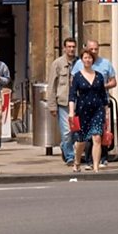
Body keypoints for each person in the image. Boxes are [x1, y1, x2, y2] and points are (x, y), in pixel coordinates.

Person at [71, 39, 117, 166]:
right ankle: (80, 161)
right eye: (91, 50)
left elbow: (113, 82)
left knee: (97, 136)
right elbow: (73, 87)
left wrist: (101, 87)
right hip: (83, 107)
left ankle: (97, 164)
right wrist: (71, 110)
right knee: (83, 138)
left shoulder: (105, 65)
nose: (94, 52)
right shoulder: (78, 66)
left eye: (96, 49)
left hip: (98, 106)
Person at [46, 37, 78, 165]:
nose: (71, 49)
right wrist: (52, 105)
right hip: (63, 103)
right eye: (69, 47)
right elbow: (52, 85)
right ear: (64, 48)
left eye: (73, 47)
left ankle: (65, 146)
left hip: (77, 103)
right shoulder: (57, 64)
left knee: (76, 131)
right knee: (66, 132)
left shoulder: (80, 63)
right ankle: (70, 156)